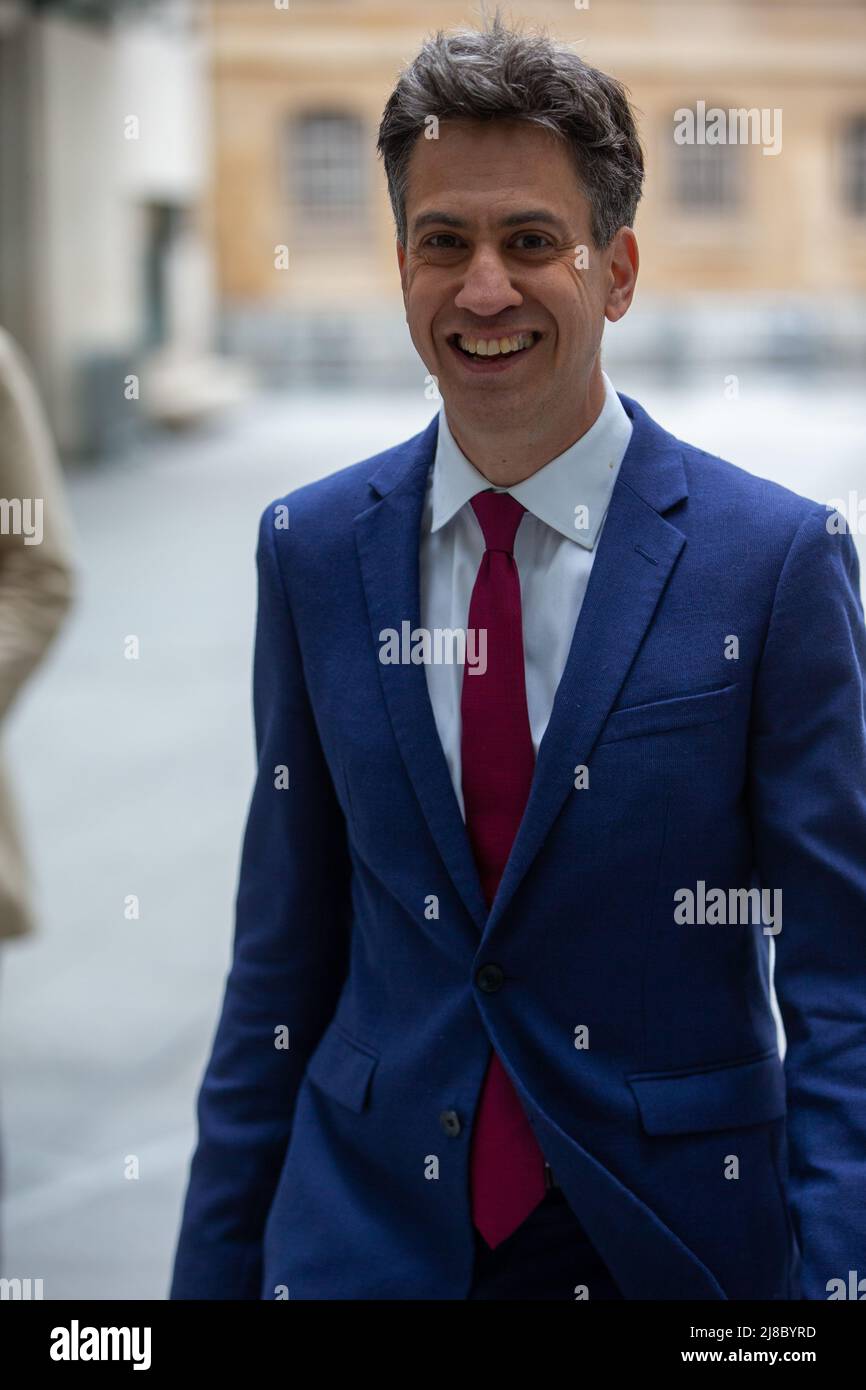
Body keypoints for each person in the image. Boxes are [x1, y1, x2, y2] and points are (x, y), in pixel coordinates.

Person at [170, 12, 866, 1301]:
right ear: (401, 267)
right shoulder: (313, 550)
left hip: (668, 1240)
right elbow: (281, 954)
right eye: (445, 243)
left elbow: (844, 985)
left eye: (531, 242)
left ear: (618, 270)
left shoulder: (772, 563)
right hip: (367, 1234)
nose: (483, 288)